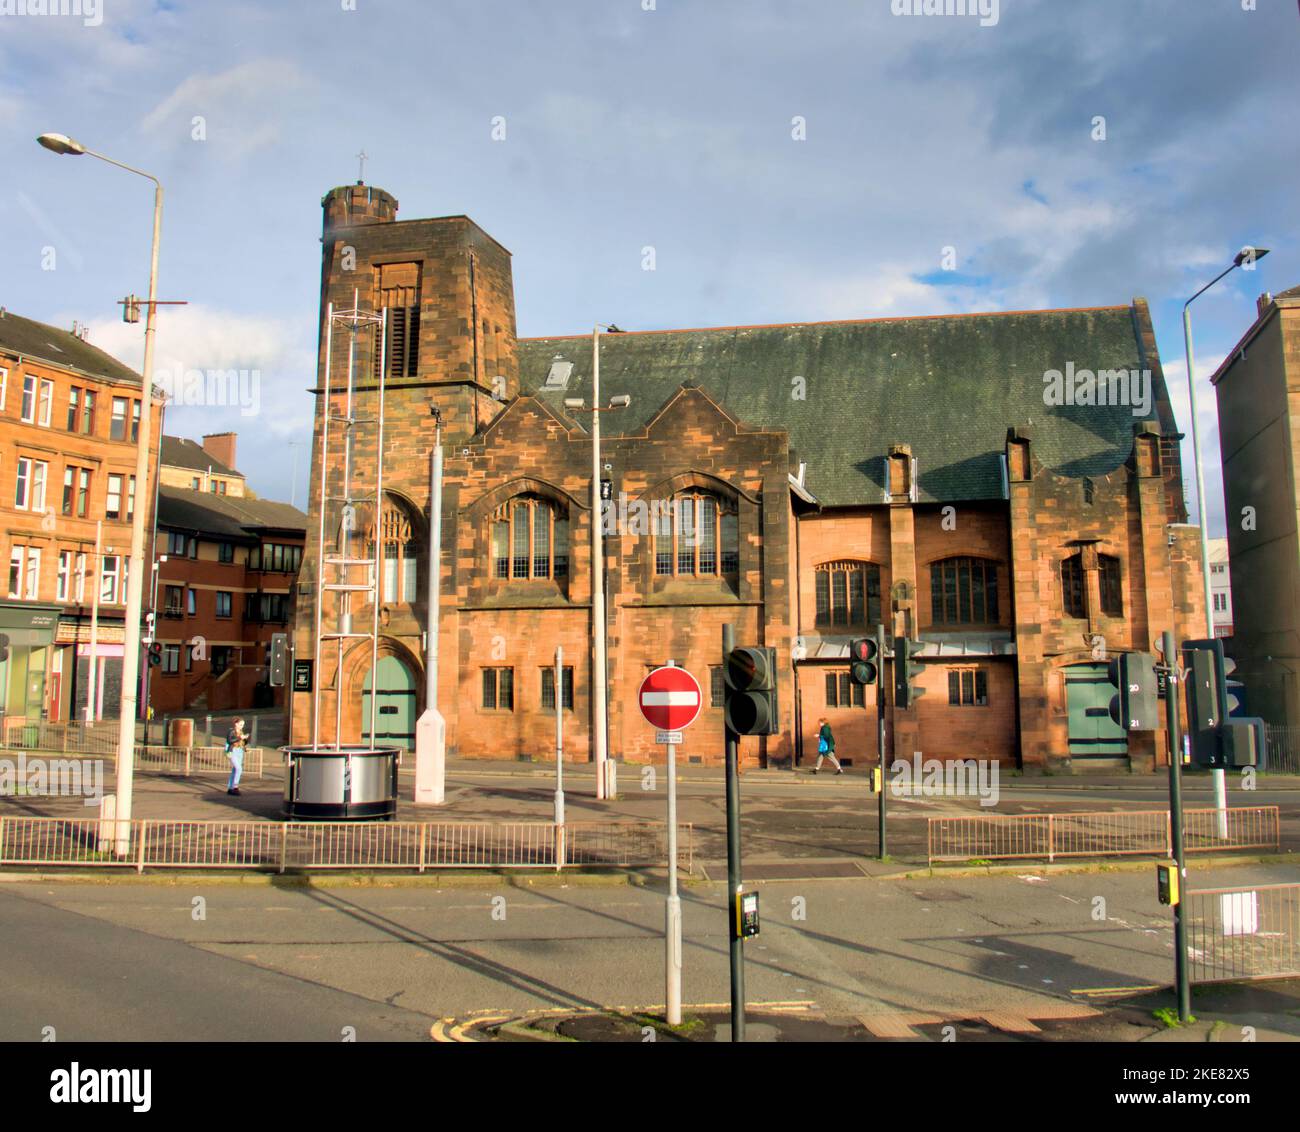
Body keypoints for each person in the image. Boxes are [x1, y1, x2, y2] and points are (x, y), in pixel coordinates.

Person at [225, 718, 248, 796]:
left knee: (235, 770)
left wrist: (245, 739)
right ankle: (235, 787)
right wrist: (240, 738)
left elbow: (243, 743)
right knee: (239, 768)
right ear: (236, 724)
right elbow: (229, 740)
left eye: (243, 725)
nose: (242, 726)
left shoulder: (241, 732)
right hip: (233, 751)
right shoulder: (231, 731)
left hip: (240, 751)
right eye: (241, 724)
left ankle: (230, 788)